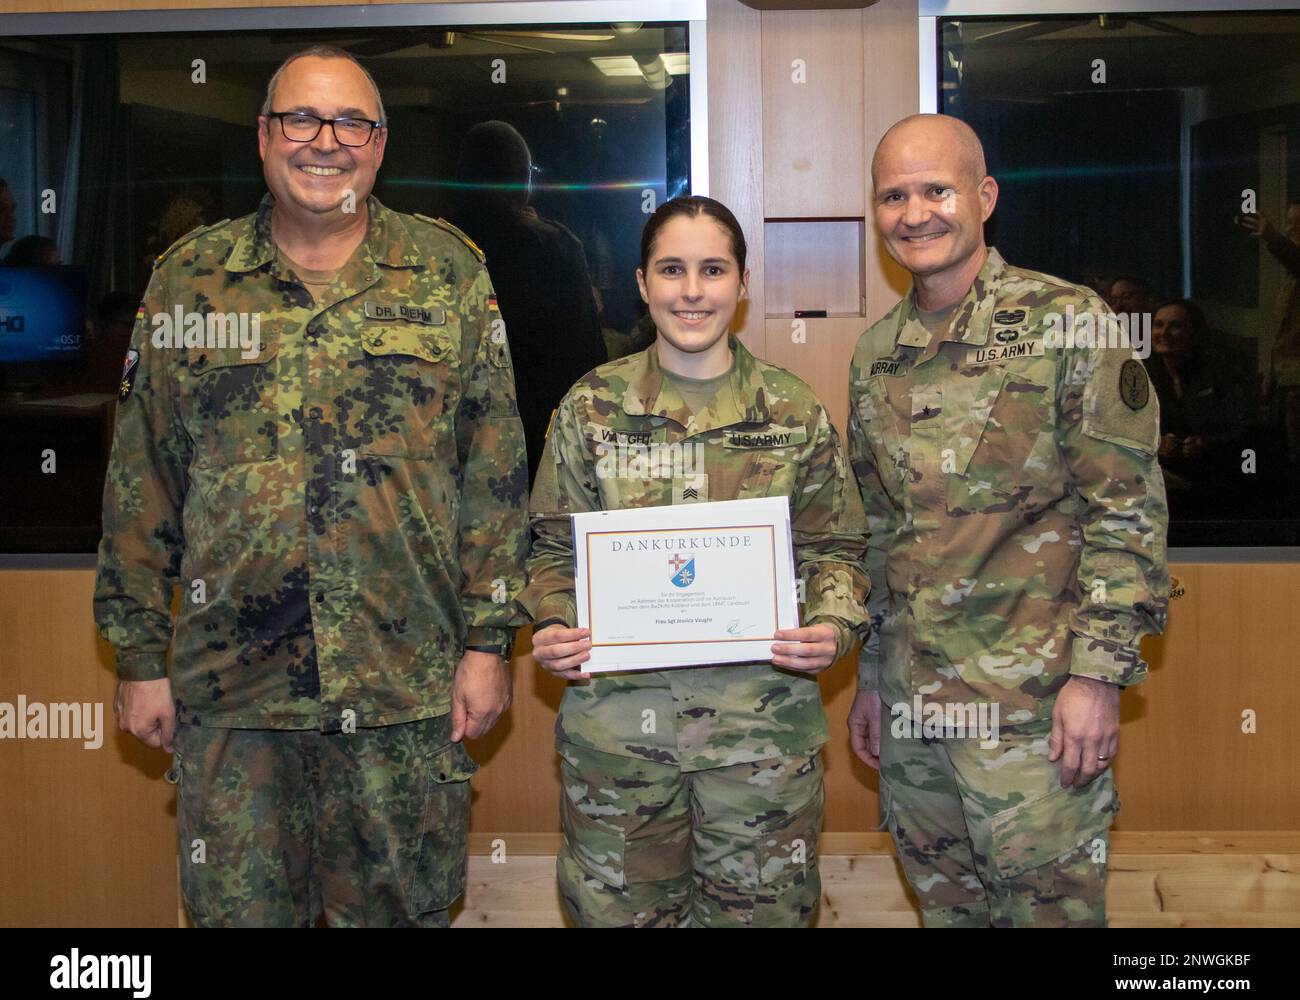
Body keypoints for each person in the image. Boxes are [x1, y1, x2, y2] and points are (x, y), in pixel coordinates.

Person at [93, 45, 529, 927]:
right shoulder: (190, 282)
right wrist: (138, 658)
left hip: (402, 689)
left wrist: (489, 644)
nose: (325, 142)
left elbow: (493, 471)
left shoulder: (448, 273)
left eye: (351, 124)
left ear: (379, 144)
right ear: (263, 135)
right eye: (301, 118)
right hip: (235, 699)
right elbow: (142, 482)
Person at [845, 114, 1169, 927]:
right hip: (916, 711)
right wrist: (872, 681)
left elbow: (1126, 511)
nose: (915, 214)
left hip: (1036, 711)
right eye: (893, 196)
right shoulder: (876, 354)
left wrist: (1098, 677)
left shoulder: (1069, 323)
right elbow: (878, 533)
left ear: (984, 197)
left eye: (937, 190)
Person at [521, 196, 870, 927]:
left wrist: (833, 624)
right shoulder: (590, 409)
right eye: (671, 269)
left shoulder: (792, 411)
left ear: (742, 284)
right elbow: (553, 549)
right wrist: (553, 622)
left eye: (713, 270)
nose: (691, 291)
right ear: (642, 283)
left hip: (760, 740)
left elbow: (835, 546)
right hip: (620, 741)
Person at [452, 120, 609, 484]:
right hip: (541, 439)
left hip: (454, 446)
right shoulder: (554, 246)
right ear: (524, 178)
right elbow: (588, 366)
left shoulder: (430, 246)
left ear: (462, 174)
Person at [1146, 297, 1253, 512]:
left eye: (1175, 326)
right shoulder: (1143, 373)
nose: (1164, 333)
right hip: (1162, 481)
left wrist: (1207, 444)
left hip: (1217, 478)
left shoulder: (1220, 371)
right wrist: (1157, 443)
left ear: (1194, 332)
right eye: (1158, 325)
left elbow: (1246, 430)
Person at [1239, 204, 1300, 466]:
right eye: (1289, 222)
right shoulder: (1290, 280)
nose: (1291, 230)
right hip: (1284, 377)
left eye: (1298, 223)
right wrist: (1270, 376)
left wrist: (1273, 238)